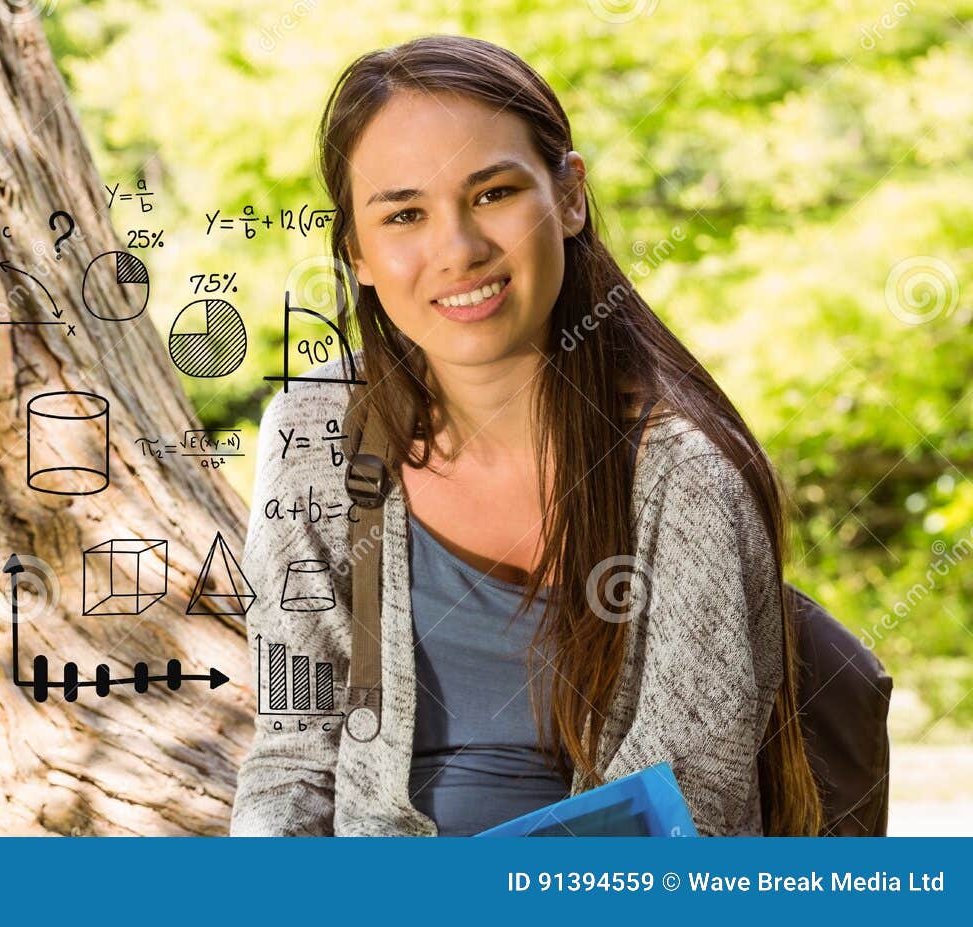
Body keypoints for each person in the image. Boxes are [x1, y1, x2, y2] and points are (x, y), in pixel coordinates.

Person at [230, 34, 822, 836]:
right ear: (357, 254)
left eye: (492, 194)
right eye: (404, 213)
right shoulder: (315, 431)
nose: (459, 250)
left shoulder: (680, 474)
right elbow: (294, 750)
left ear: (569, 195)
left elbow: (691, 807)